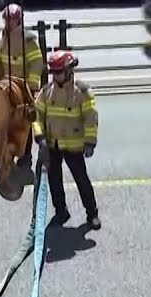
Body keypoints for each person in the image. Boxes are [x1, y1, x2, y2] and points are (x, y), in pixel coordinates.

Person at [32, 50, 100, 230]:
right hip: (53, 144)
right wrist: (40, 138)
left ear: (69, 70)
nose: (56, 76)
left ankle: (92, 213)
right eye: (53, 72)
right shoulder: (46, 92)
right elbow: (37, 117)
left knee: (82, 180)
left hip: (74, 146)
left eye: (59, 72)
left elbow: (91, 118)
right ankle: (61, 211)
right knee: (54, 181)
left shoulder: (82, 92)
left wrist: (90, 142)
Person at [0, 4, 44, 170]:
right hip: (2, 87)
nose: (9, 23)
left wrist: (31, 85)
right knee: (3, 121)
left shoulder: (28, 40)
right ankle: (6, 153)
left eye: (12, 20)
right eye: (7, 20)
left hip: (22, 87)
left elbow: (37, 63)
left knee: (24, 121)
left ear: (19, 20)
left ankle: (26, 156)